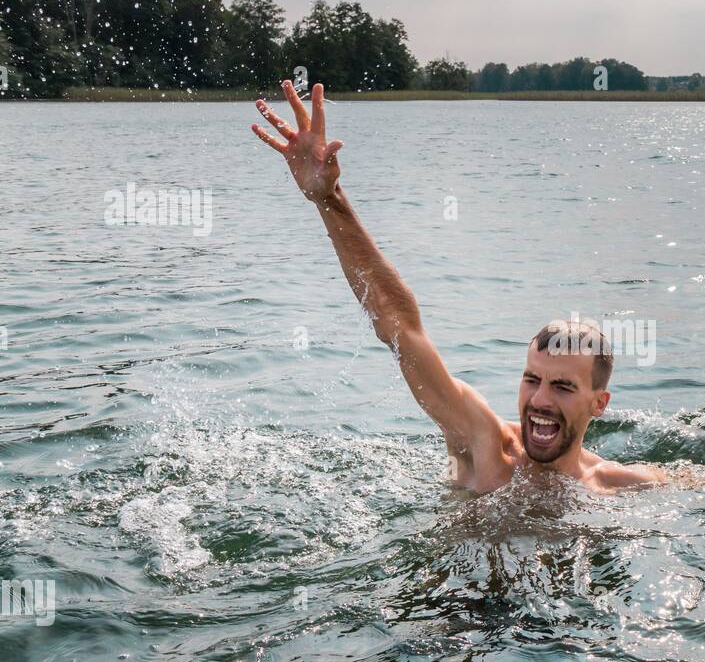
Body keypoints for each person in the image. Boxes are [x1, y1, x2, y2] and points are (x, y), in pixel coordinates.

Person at [251, 80, 666, 494]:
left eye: (562, 386)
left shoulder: (618, 484)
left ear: (599, 404)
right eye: (531, 379)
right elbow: (399, 326)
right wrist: (330, 200)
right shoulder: (483, 445)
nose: (539, 400)